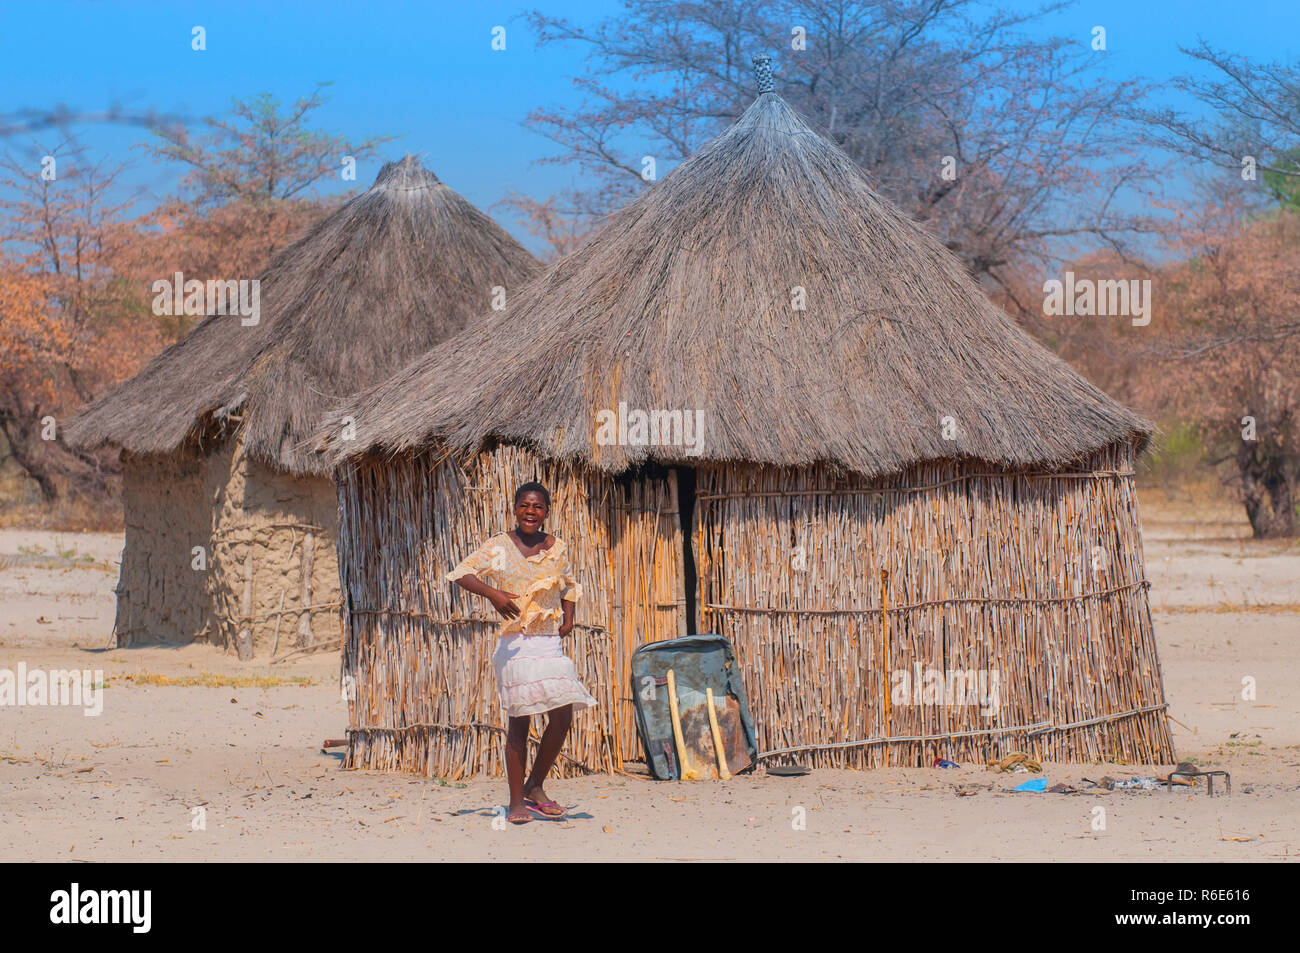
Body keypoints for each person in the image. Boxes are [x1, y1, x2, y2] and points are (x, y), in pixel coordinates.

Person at [447, 481, 596, 824]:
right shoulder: (499, 546)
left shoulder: (557, 547)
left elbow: (570, 584)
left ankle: (535, 786)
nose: (531, 512)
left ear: (546, 512)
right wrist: (493, 594)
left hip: (548, 642)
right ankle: (516, 801)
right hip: (515, 644)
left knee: (562, 716)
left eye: (538, 507)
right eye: (525, 506)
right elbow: (461, 573)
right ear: (515, 509)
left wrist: (569, 618)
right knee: (520, 720)